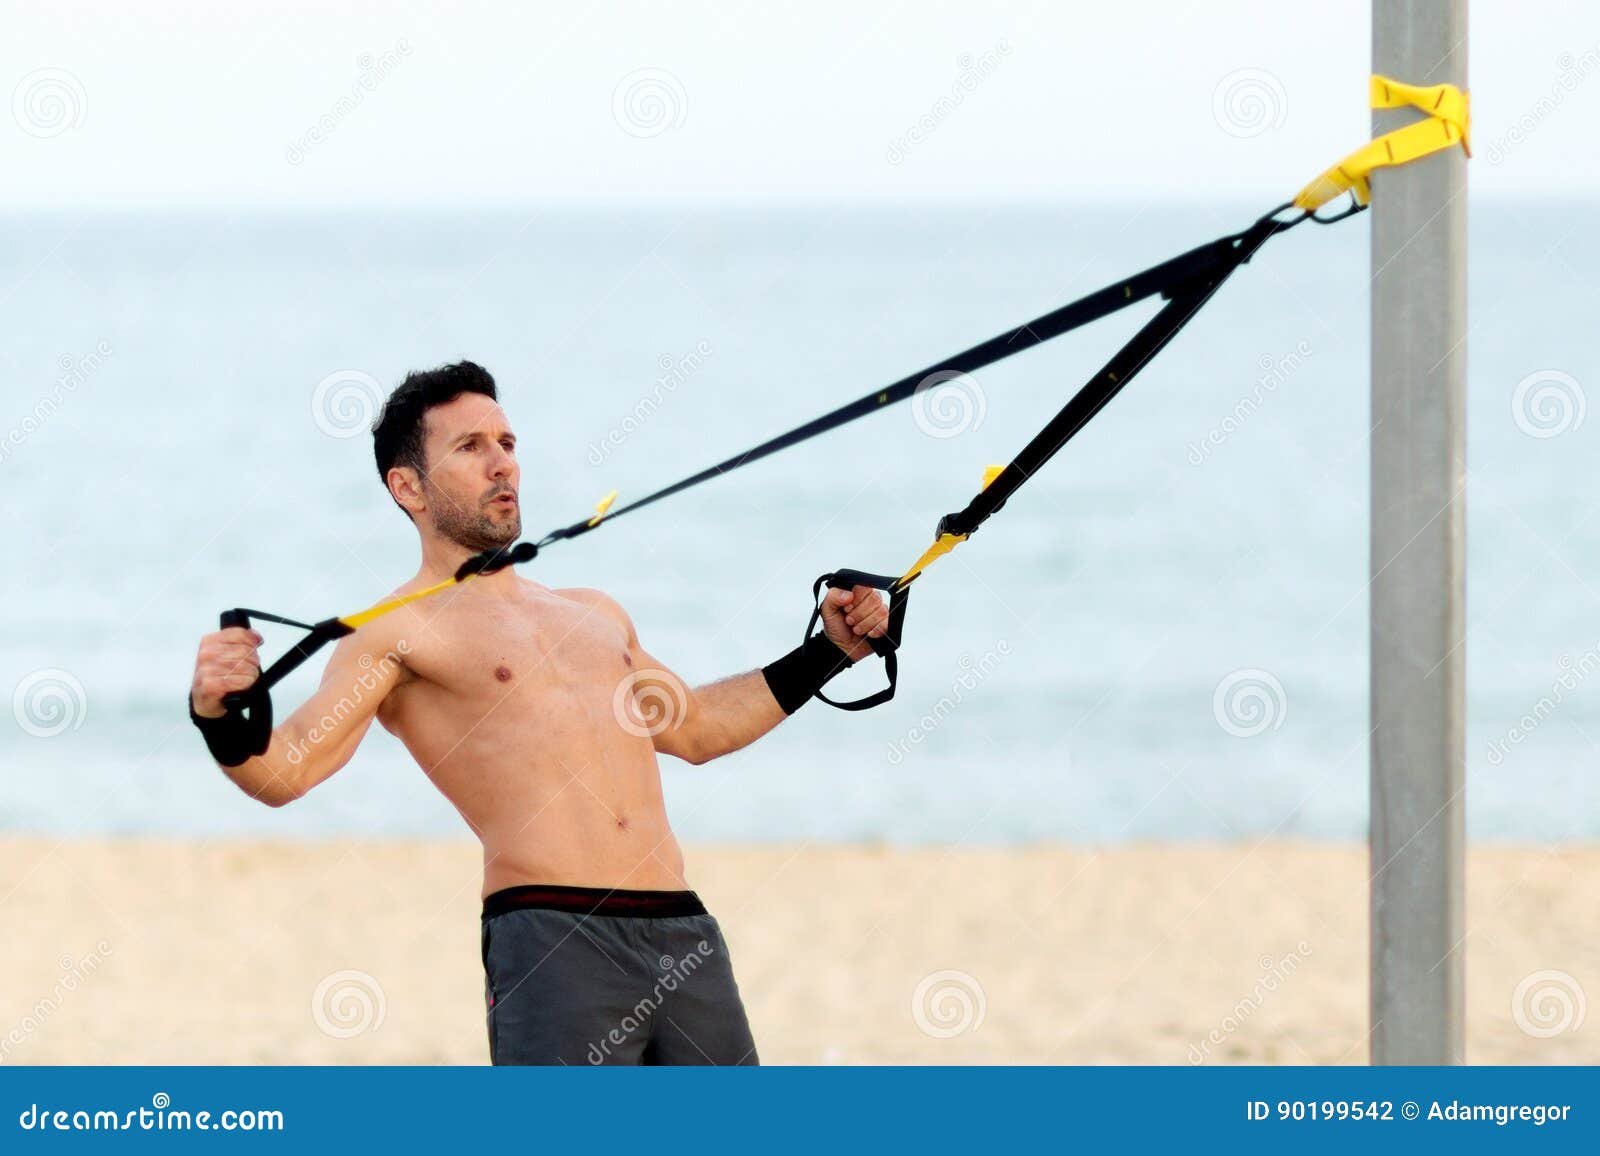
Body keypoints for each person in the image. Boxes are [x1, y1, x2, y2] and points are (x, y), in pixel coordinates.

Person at [187, 361, 889, 1065]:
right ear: (408, 487)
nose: (502, 464)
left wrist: (830, 650)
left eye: (508, 443)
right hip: (553, 937)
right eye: (470, 447)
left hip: (682, 932)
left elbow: (698, 727)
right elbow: (287, 769)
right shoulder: (397, 633)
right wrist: (220, 715)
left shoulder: (593, 614)